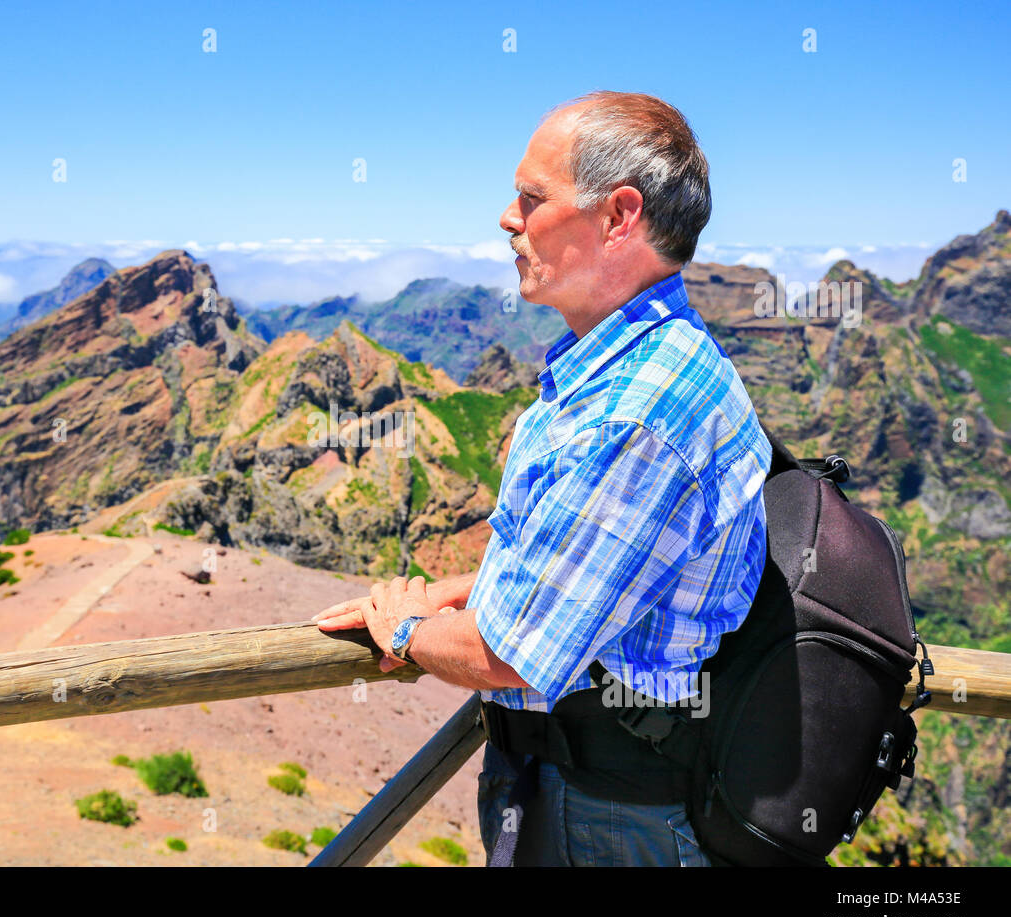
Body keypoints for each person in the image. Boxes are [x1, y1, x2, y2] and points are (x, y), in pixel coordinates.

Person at [313, 91, 771, 866]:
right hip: (599, 790)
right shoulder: (652, 366)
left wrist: (403, 628)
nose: (506, 219)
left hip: (607, 814)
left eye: (532, 198)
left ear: (619, 217)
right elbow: (585, 569)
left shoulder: (636, 412)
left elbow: (514, 655)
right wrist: (456, 591)